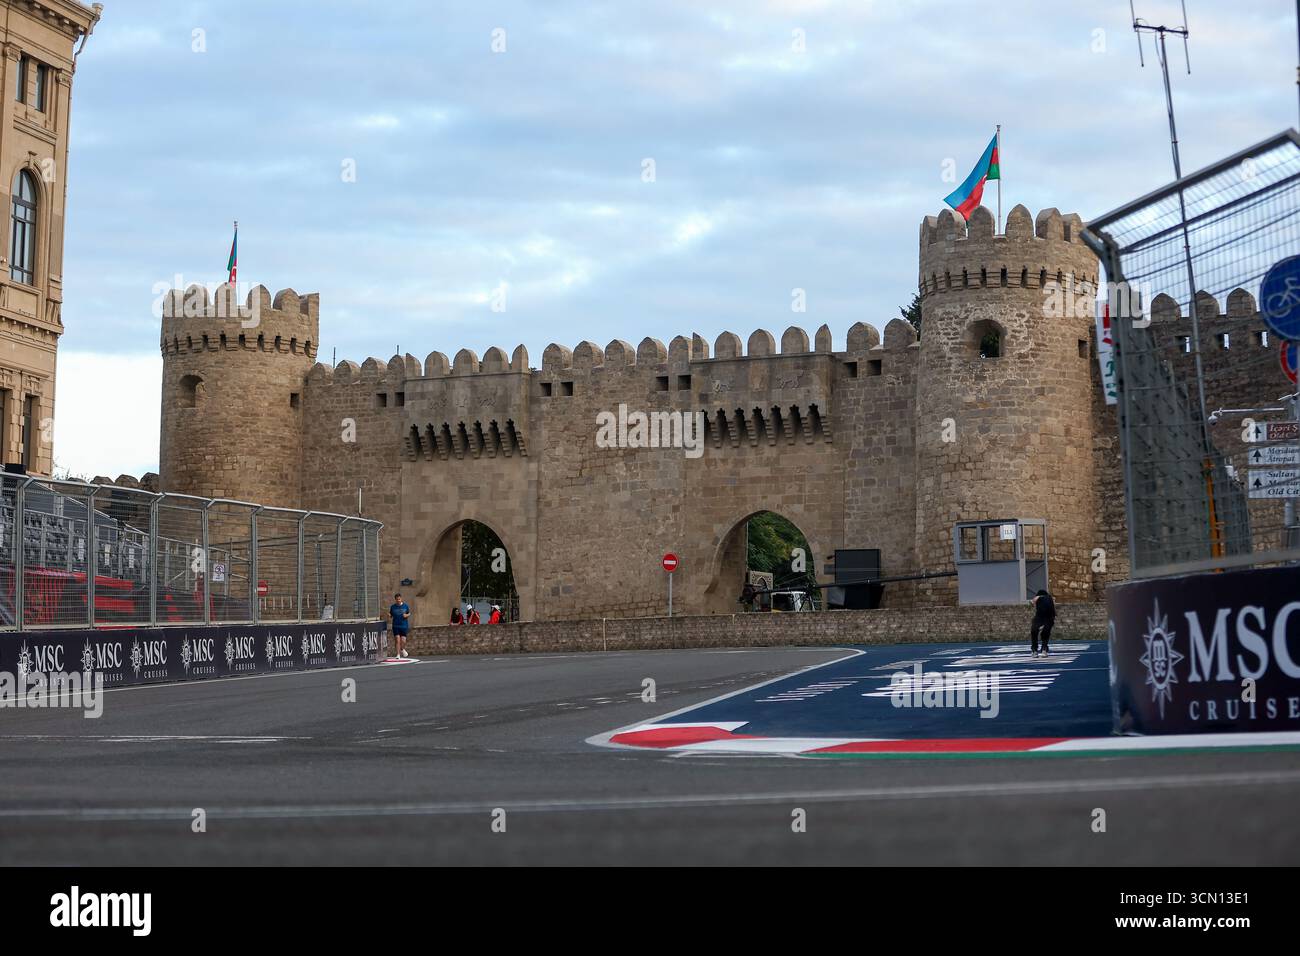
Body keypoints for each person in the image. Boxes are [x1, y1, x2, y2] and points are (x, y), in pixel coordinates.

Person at [1030, 588, 1055, 657]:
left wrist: (1037, 598)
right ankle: (1036, 650)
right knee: (1035, 631)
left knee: (1044, 632)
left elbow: (1031, 603)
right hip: (1041, 617)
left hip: (1048, 617)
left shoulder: (1047, 598)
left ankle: (1042, 649)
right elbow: (1031, 603)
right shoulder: (1043, 598)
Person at [389, 593, 411, 658]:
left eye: (399, 599)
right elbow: (391, 614)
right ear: (395, 600)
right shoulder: (393, 607)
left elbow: (409, 613)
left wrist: (406, 615)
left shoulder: (405, 606)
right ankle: (398, 654)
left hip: (404, 626)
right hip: (396, 626)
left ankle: (402, 649)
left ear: (401, 599)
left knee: (403, 641)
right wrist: (389, 615)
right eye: (397, 599)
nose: (398, 600)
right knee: (397, 640)